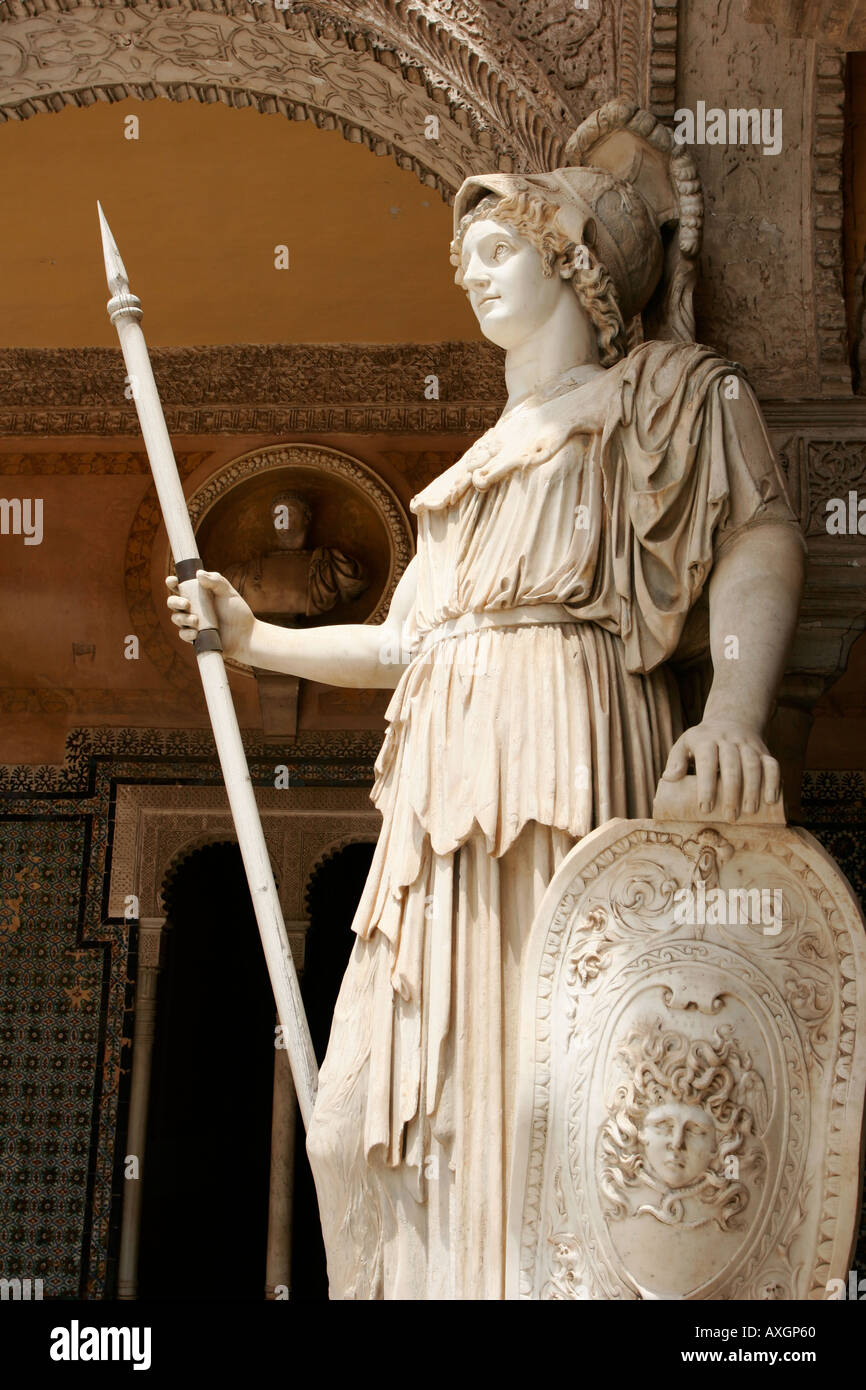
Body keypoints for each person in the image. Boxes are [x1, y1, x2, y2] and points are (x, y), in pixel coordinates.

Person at [166, 100, 805, 1299]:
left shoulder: (668, 396)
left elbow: (757, 539)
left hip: (563, 740)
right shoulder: (462, 476)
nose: (469, 275)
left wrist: (730, 710)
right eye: (461, 261)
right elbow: (406, 647)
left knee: (547, 1067)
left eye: (495, 250)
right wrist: (256, 638)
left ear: (568, 259)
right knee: (375, 1111)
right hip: (439, 799)